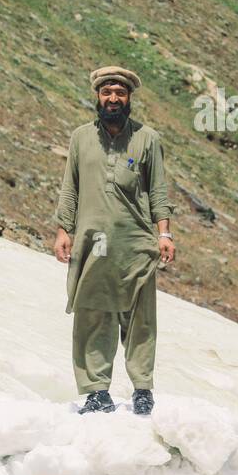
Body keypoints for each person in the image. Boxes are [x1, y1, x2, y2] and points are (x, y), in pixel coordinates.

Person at [54, 66, 175, 416]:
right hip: (94, 243)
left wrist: (163, 233)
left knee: (140, 318)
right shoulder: (80, 137)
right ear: (97, 96)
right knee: (94, 314)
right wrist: (64, 230)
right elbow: (70, 186)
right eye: (107, 92)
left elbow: (158, 190)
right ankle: (96, 390)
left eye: (120, 93)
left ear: (129, 98)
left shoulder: (147, 139)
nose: (113, 99)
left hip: (135, 243)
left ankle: (142, 388)